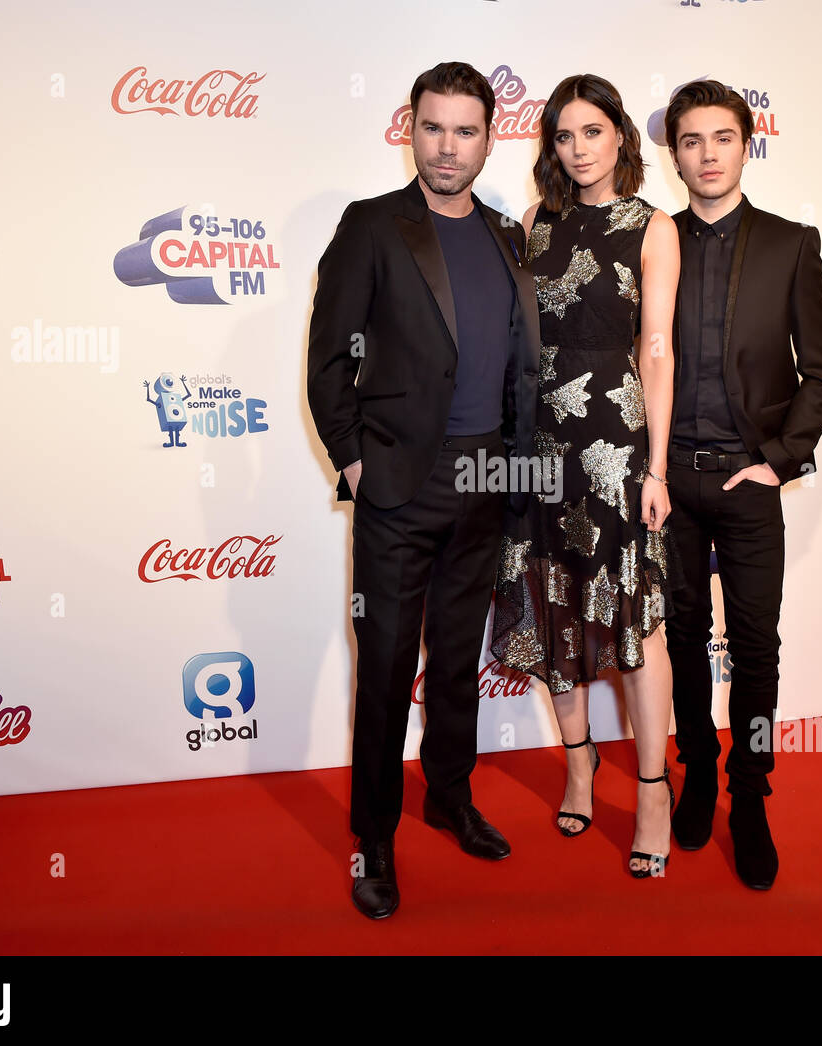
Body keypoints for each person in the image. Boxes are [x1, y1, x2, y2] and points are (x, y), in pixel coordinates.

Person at [306, 61, 540, 919]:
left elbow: (517, 361)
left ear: (488, 137)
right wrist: (354, 457)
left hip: (488, 479)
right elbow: (328, 359)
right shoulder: (372, 226)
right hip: (401, 486)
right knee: (385, 671)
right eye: (434, 128)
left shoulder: (508, 235)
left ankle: (448, 795)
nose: (449, 147)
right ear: (412, 128)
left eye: (466, 130)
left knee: (456, 664)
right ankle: (374, 838)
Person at [490, 73, 682, 878]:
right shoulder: (534, 222)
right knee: (550, 603)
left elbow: (657, 351)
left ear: (621, 139)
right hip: (541, 442)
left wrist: (657, 467)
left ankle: (650, 791)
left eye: (592, 132)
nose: (577, 150)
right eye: (563, 136)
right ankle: (578, 763)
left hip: (617, 440)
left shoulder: (654, 226)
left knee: (640, 626)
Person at [659, 80, 822, 889]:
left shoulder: (791, 243)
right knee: (685, 646)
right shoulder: (651, 242)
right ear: (675, 151)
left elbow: (820, 370)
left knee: (756, 651)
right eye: (691, 140)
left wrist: (783, 457)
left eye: (721, 138)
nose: (706, 154)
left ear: (746, 143)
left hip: (747, 485)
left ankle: (752, 796)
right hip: (670, 486)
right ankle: (697, 771)